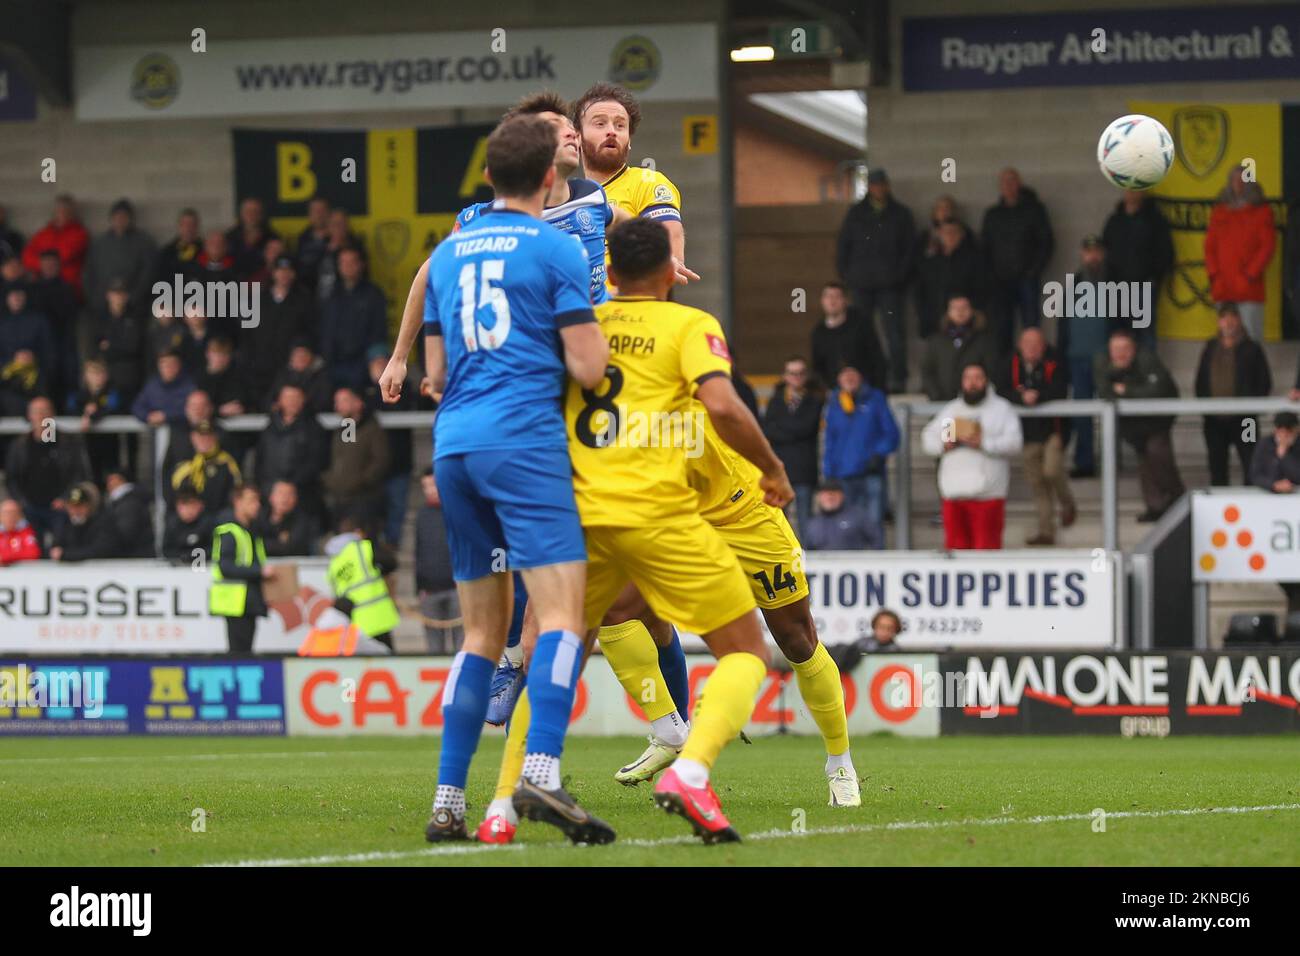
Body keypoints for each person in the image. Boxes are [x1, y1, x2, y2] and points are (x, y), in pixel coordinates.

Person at [376, 115, 613, 844]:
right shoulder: (558, 245)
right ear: (550, 177)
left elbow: (437, 375)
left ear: (487, 178)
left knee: (480, 633)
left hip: (454, 449)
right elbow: (589, 367)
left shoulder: (449, 253)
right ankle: (540, 771)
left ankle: (448, 799)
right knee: (562, 618)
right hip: (525, 445)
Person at [571, 82, 696, 285]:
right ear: (577, 137)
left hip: (631, 309)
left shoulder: (647, 181)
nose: (611, 131)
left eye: (620, 125)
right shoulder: (568, 197)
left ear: (629, 140)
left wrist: (669, 258)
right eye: (600, 123)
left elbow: (669, 233)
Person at [921, 362, 1024, 549]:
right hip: (953, 495)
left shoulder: (1001, 409)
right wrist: (944, 445)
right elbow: (928, 438)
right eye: (968, 378)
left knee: (986, 554)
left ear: (986, 381)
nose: (972, 383)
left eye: (977, 378)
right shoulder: (952, 410)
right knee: (955, 557)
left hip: (987, 496)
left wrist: (984, 443)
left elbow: (1014, 443)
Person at [835, 169, 915, 392]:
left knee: (894, 334)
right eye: (874, 185)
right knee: (861, 334)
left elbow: (910, 250)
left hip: (890, 286)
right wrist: (848, 276)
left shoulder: (900, 214)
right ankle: (864, 379)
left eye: (881, 184)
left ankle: (898, 380)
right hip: (861, 285)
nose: (878, 188)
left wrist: (899, 277)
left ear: (887, 186)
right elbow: (843, 246)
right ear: (869, 187)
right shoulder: (856, 213)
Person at [1095, 330, 1184, 522]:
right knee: (1144, 461)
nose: (1121, 354)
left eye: (1125, 349)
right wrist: (1129, 392)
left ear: (1134, 349)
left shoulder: (1147, 359)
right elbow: (1104, 392)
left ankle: (1179, 498)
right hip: (1132, 426)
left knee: (1158, 453)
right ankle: (1155, 507)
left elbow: (1157, 391)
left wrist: (1126, 391)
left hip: (1158, 419)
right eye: (1116, 350)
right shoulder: (1102, 363)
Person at [1002, 327, 1075, 545]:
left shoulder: (1055, 363)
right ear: (1019, 346)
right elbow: (1001, 391)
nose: (1031, 349)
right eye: (1027, 344)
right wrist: (1020, 396)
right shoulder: (1009, 364)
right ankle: (1046, 531)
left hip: (1052, 430)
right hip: (1026, 434)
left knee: (1051, 471)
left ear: (1044, 347)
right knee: (1037, 484)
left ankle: (1067, 502)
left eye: (1036, 345)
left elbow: (1062, 389)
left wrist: (1038, 396)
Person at [1194, 302, 1272, 486]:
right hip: (1214, 419)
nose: (1228, 323)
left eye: (1232, 318)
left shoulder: (1252, 348)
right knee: (1217, 464)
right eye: (1224, 319)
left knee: (1251, 461)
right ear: (1218, 322)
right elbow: (1200, 381)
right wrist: (1206, 408)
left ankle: (1252, 503)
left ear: (1239, 320)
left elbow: (1264, 381)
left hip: (1246, 419)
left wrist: (1251, 406)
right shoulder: (1210, 347)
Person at [980, 168, 1053, 352]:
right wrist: (991, 274)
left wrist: (1033, 270)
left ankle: (1033, 366)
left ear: (1019, 184)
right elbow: (985, 247)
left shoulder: (1034, 210)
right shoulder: (993, 214)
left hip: (1027, 279)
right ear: (999, 186)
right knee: (1002, 328)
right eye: (1004, 181)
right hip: (1000, 281)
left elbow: (1046, 242)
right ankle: (1006, 371)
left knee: (1031, 326)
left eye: (1012, 181)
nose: (1008, 185)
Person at [1057, 235, 1111, 477]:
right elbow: (1063, 324)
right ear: (1082, 254)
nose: (1092, 256)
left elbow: (1128, 322)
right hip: (1077, 358)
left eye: (1096, 251)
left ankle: (1111, 461)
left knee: (1111, 411)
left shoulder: (1116, 281)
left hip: (1108, 359)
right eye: (1088, 251)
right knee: (1081, 414)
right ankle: (1085, 462)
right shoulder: (1074, 284)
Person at [821, 364, 899, 532]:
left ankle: (877, 559)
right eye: (844, 375)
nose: (849, 379)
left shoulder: (875, 399)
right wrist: (828, 474)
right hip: (843, 477)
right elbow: (830, 442)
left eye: (852, 374)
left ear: (860, 377)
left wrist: (878, 455)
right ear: (838, 379)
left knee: (873, 524)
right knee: (846, 527)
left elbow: (892, 434)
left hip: (870, 474)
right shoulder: (834, 404)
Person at [4, 396, 91, 545]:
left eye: (45, 411)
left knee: (62, 543)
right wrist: (21, 502)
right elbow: (11, 478)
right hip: (29, 507)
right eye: (37, 411)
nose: (41, 416)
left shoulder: (67, 442)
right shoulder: (20, 445)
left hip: (60, 506)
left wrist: (65, 498)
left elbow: (78, 474)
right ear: (29, 415)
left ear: (53, 414)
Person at [1205, 163, 1276, 342]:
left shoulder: (1262, 211)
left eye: (1242, 179)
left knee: (1251, 338)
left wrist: (1249, 275)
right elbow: (1209, 246)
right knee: (1225, 339)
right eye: (1234, 180)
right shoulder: (1219, 211)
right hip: (1223, 286)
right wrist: (1214, 275)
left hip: (1248, 287)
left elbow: (1267, 247)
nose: (1238, 184)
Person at [209, 484, 278, 654]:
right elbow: (225, 567)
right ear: (237, 502)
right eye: (251, 501)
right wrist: (259, 571)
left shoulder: (252, 530)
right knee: (239, 652)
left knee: (246, 650)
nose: (257, 505)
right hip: (236, 601)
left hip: (249, 599)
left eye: (257, 501)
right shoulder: (229, 530)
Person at [1101, 190, 1174, 349]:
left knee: (1145, 337)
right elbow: (1104, 252)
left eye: (1135, 189)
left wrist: (1153, 279)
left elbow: (1166, 253)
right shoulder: (1115, 221)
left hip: (1143, 288)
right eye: (1128, 189)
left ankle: (1146, 373)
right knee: (1119, 335)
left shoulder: (1155, 221)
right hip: (1117, 288)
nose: (1131, 194)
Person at [762, 355, 823, 534]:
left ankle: (806, 559)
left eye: (800, 373)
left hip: (804, 470)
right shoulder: (775, 401)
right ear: (785, 376)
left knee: (805, 521)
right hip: (781, 470)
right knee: (781, 522)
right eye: (792, 373)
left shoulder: (814, 400)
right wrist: (793, 430)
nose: (796, 377)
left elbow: (807, 428)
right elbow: (768, 429)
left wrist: (783, 428)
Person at [323, 514, 400, 651]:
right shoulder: (362, 548)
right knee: (387, 661)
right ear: (358, 532)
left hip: (353, 625)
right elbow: (391, 563)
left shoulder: (333, 563)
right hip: (377, 617)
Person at [246, 255, 314, 408]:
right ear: (273, 272)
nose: (284, 274)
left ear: (294, 274)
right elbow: (246, 335)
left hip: (288, 371)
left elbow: (309, 333)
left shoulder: (303, 300)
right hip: (259, 367)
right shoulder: (257, 299)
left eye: (288, 270)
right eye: (280, 270)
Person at [254, 383, 327, 518]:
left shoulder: (314, 428)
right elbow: (260, 459)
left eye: (296, 397)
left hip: (304, 494)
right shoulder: (269, 427)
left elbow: (318, 461)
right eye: (288, 397)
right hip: (269, 492)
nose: (292, 402)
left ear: (303, 400)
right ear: (280, 400)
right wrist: (269, 486)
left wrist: (291, 484)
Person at [320, 247, 387, 391]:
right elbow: (325, 331)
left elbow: (379, 332)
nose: (347, 267)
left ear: (361, 265)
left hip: (363, 359)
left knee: (378, 372)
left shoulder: (373, 294)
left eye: (352, 262)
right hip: (334, 360)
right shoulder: (331, 295)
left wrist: (375, 357)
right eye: (343, 263)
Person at [321, 386, 388, 527]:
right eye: (337, 402)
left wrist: (360, 481)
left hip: (363, 499)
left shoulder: (372, 429)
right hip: (340, 498)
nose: (338, 406)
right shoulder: (346, 428)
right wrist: (331, 480)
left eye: (344, 401)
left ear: (358, 402)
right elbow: (341, 458)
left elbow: (380, 461)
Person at [913, 213, 985, 340]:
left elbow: (981, 290)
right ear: (939, 234)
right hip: (933, 320)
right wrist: (923, 315)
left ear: (961, 235)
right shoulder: (929, 262)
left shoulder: (973, 261)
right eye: (946, 232)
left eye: (954, 232)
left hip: (964, 323)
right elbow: (920, 291)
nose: (950, 236)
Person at [920, 292, 1001, 401]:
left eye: (964, 307)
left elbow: (992, 372)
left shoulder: (984, 341)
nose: (960, 311)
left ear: (972, 310)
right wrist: (936, 397)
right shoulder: (935, 341)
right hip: (943, 404)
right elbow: (927, 372)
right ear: (948, 312)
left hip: (975, 404)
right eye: (955, 308)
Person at [82, 198, 157, 313]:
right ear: (111, 219)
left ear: (131, 219)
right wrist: (99, 299)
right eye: (117, 217)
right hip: (103, 306)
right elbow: (89, 272)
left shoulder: (143, 242)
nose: (120, 220)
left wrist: (132, 297)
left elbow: (148, 273)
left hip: (135, 306)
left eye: (124, 217)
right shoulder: (100, 243)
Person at [810, 282, 887, 392]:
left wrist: (876, 389)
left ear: (845, 300)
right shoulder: (818, 333)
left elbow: (877, 359)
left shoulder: (861, 325)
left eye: (837, 296)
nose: (832, 301)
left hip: (865, 390)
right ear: (822, 301)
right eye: (828, 296)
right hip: (835, 393)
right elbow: (818, 368)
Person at [415, 466, 460, 654]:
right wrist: (418, 588)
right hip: (430, 590)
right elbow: (418, 552)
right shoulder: (422, 515)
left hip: (458, 588)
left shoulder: (458, 511)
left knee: (463, 644)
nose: (430, 490)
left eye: (433, 485)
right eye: (426, 486)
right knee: (434, 650)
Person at [21, 194, 89, 298]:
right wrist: (43, 266)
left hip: (67, 286)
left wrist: (43, 265)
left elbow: (65, 256)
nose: (62, 214)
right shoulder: (44, 232)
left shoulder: (79, 233)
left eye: (66, 210)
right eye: (59, 210)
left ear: (72, 213)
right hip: (41, 284)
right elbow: (27, 256)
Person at [68, 358, 123, 484]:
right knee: (93, 475)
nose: (97, 377)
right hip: (89, 442)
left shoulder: (112, 391)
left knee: (112, 474)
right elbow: (71, 407)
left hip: (110, 442)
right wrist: (85, 412)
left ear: (106, 375)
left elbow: (113, 407)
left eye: (100, 373)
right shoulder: (80, 394)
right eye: (93, 373)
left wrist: (92, 415)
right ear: (85, 376)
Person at [168, 419, 242, 513]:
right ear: (193, 438)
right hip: (190, 522)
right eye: (200, 437)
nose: (204, 441)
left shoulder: (227, 463)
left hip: (219, 520)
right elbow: (174, 498)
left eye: (208, 437)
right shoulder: (184, 466)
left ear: (215, 438)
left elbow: (235, 495)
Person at [49, 483, 122, 562]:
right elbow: (56, 548)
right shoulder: (64, 524)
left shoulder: (103, 523)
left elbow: (100, 550)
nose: (76, 511)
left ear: (89, 506)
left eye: (80, 506)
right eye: (72, 507)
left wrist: (66, 555)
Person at [802, 479, 881, 550]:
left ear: (842, 496)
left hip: (853, 564)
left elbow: (876, 540)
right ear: (819, 497)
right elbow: (806, 553)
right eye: (826, 494)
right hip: (822, 564)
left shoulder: (857, 516)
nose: (830, 497)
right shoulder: (812, 524)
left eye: (833, 494)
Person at [131, 350, 194, 426]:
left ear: (179, 365)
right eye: (164, 364)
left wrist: (166, 416)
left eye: (172, 364)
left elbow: (195, 410)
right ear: (158, 366)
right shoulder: (152, 385)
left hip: (182, 431)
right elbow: (137, 406)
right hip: (154, 431)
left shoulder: (189, 385)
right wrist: (148, 416)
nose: (168, 367)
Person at [259, 480, 320, 557]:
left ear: (296, 499)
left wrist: (264, 544)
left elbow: (291, 547)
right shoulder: (259, 518)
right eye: (281, 493)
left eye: (290, 494)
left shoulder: (303, 521)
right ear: (271, 497)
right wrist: (279, 542)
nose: (285, 498)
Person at [103, 469, 154, 558]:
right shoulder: (122, 501)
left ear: (123, 480)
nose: (109, 484)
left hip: (135, 556)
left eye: (112, 480)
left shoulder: (129, 503)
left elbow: (126, 533)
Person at [1249, 411, 1300, 494]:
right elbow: (1255, 475)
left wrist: (1284, 456)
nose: (1284, 436)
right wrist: (1273, 485)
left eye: (1289, 433)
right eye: (1281, 432)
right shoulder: (1265, 444)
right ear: (1276, 430)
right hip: (1268, 496)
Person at [162, 489, 213, 563]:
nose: (187, 510)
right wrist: (183, 556)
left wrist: (193, 556)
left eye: (191, 504)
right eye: (183, 505)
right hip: (177, 568)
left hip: (205, 566)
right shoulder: (172, 524)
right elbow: (166, 550)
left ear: (200, 505)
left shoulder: (208, 523)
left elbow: (214, 548)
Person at [156, 208, 203, 286]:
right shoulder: (167, 252)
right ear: (179, 226)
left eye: (192, 225)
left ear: (197, 227)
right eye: (185, 224)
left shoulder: (206, 250)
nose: (188, 228)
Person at [0, 498, 41, 565]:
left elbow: (33, 553)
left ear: (19, 515)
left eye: (13, 512)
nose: (10, 516)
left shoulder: (26, 531)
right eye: (6, 512)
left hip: (21, 573)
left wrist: (5, 558)